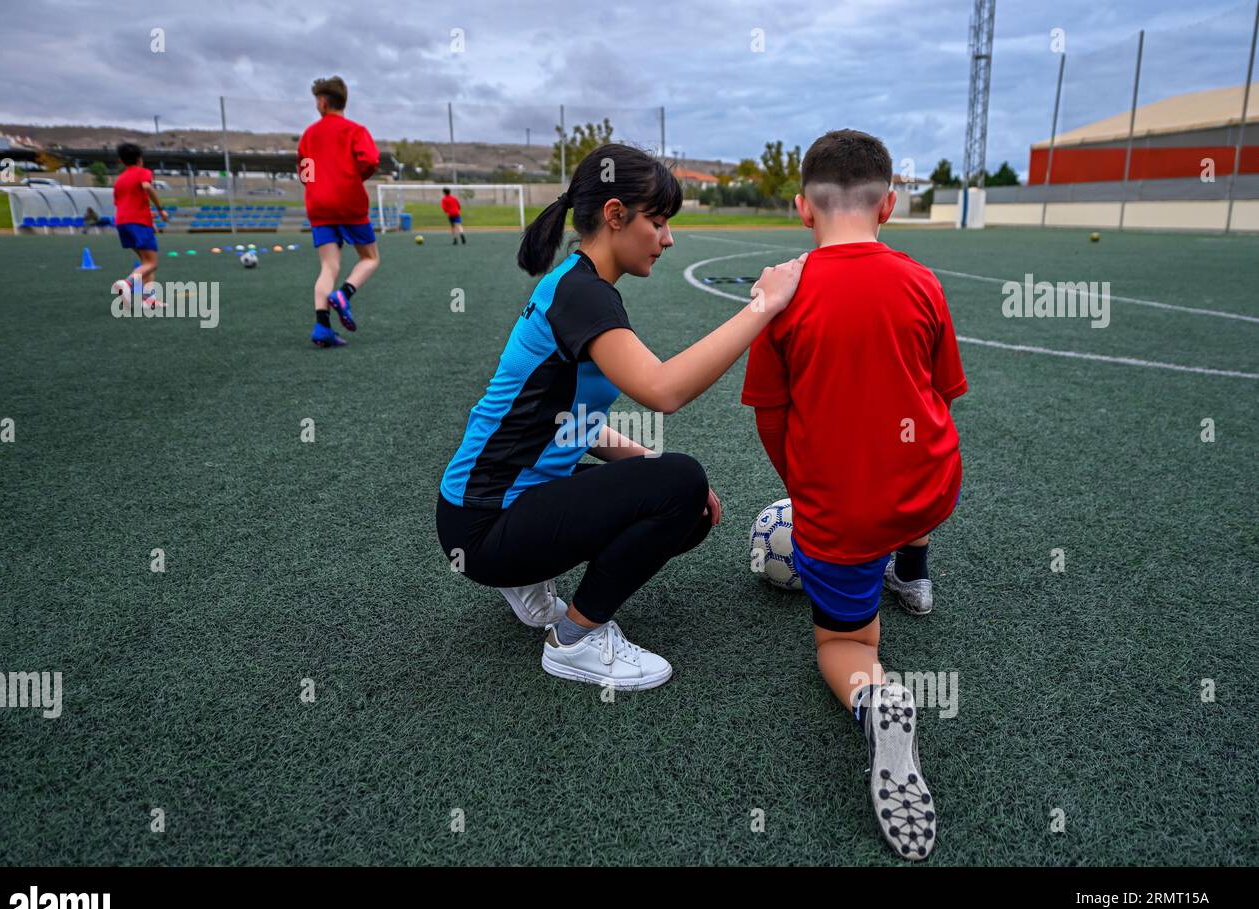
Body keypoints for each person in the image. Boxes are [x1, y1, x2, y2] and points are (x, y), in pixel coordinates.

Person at [437, 143, 805, 691]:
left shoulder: (578, 284)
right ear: (614, 215)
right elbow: (663, 391)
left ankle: (526, 573)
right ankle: (577, 638)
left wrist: (646, 471)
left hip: (481, 511)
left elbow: (573, 420)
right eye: (657, 222)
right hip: (484, 521)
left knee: (685, 501)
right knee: (682, 481)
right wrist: (763, 305)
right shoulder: (583, 294)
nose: (668, 238)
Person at [742, 129, 967, 860]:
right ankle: (914, 571)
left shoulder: (782, 292)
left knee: (843, 640)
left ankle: (874, 693)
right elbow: (942, 396)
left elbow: (771, 417)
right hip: (926, 485)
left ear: (804, 209)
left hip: (840, 507)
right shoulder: (924, 283)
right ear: (890, 204)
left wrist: (804, 491)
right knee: (915, 468)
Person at [298, 75, 380, 348]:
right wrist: (351, 177)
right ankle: (344, 294)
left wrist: (316, 185)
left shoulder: (309, 134)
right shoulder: (355, 130)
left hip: (318, 206)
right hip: (349, 202)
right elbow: (370, 160)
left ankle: (322, 327)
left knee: (328, 266)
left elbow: (304, 171)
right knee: (369, 258)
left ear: (322, 102)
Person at [110, 143, 168, 305]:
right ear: (140, 159)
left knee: (146, 262)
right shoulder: (143, 172)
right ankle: (126, 284)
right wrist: (161, 209)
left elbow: (125, 203)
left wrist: (149, 221)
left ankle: (149, 299)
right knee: (151, 263)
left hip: (123, 223)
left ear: (121, 161)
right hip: (138, 222)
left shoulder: (120, 180)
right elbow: (146, 186)